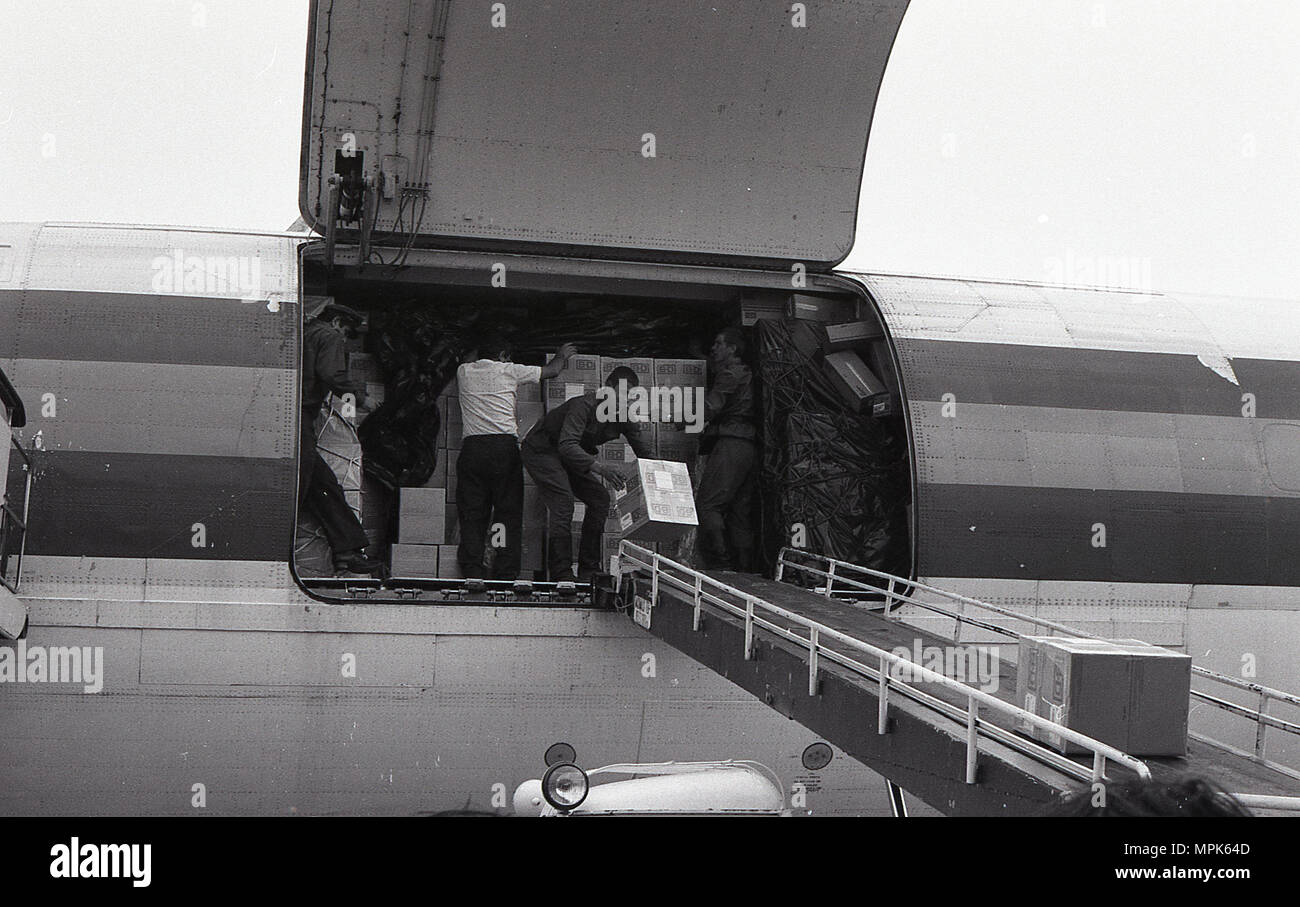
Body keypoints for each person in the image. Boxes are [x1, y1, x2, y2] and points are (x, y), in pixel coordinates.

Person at [455, 334, 577, 580]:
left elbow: (469, 356)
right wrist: (562, 354)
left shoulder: (464, 371)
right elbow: (551, 371)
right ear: (503, 356)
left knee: (472, 513)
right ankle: (505, 572)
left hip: (473, 449)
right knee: (506, 513)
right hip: (503, 449)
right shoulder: (509, 371)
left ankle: (472, 570)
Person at [521, 367, 651, 583]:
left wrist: (664, 479)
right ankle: (561, 573)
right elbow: (567, 445)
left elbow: (644, 452)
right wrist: (602, 469)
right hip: (542, 450)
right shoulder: (584, 405)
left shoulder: (623, 415)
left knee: (600, 499)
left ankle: (589, 570)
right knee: (563, 501)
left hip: (569, 456)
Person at [300, 301, 380, 575]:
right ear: (337, 324)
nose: (344, 340)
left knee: (323, 486)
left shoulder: (303, 332)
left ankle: (347, 552)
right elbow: (332, 373)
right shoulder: (327, 334)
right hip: (299, 419)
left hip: (299, 419)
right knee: (307, 484)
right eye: (346, 332)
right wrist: (362, 399)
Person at [695, 327, 758, 572]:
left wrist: (677, 417)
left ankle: (718, 565)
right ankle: (744, 569)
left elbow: (711, 407)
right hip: (748, 446)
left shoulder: (730, 374)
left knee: (708, 505)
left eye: (719, 343)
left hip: (731, 443)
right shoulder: (745, 373)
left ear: (732, 349)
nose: (714, 348)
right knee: (739, 512)